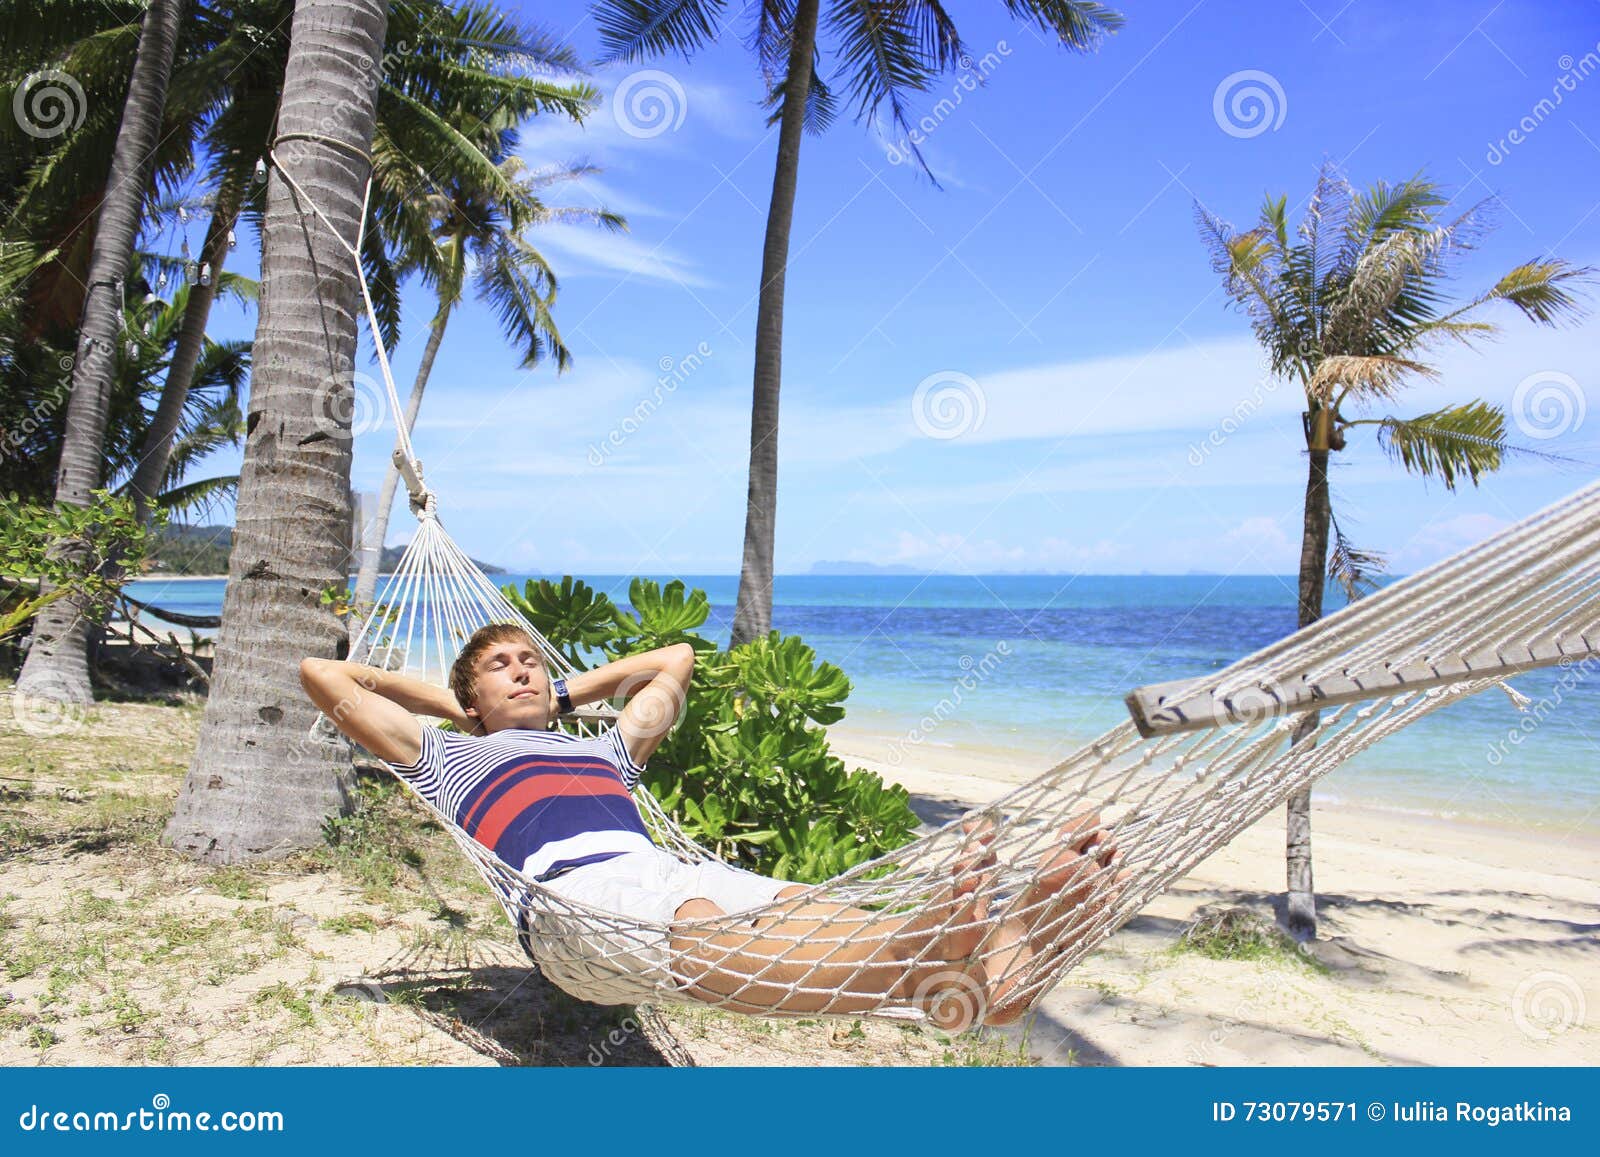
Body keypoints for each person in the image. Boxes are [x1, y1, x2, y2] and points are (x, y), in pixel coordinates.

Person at [301, 622, 1127, 1025]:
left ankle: (993, 965)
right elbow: (323, 673)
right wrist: (464, 709)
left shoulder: (606, 752)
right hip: (573, 905)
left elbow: (675, 663)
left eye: (531, 662)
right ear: (467, 698)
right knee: (697, 920)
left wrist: (560, 696)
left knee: (788, 905)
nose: (522, 670)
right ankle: (935, 950)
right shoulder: (447, 758)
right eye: (499, 667)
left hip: (667, 867)